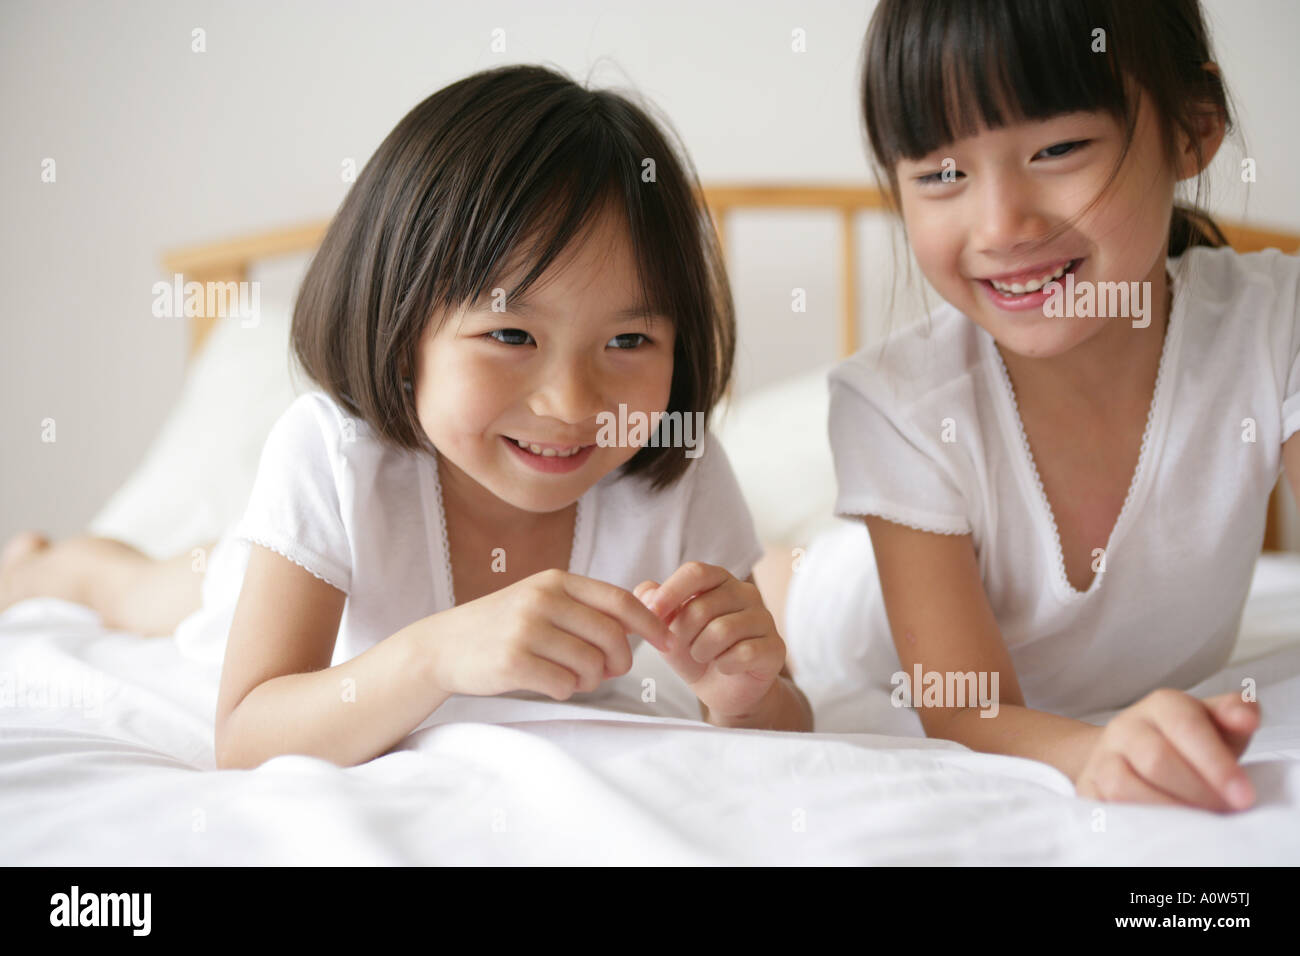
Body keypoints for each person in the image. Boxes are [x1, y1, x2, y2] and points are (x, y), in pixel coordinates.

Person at [1, 65, 813, 768]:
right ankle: (59, 565)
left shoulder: (679, 469)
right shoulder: (332, 458)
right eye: (510, 334)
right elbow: (245, 735)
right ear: (400, 332)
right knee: (155, 587)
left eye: (629, 338)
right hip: (262, 581)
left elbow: (790, 717)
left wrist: (743, 697)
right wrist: (438, 653)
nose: (572, 405)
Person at [795, 0, 1293, 811]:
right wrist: (1096, 751)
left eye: (1058, 148)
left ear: (1193, 129)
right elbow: (966, 707)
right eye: (942, 174)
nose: (1002, 225)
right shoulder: (895, 404)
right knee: (802, 578)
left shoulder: (1276, 324)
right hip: (848, 615)